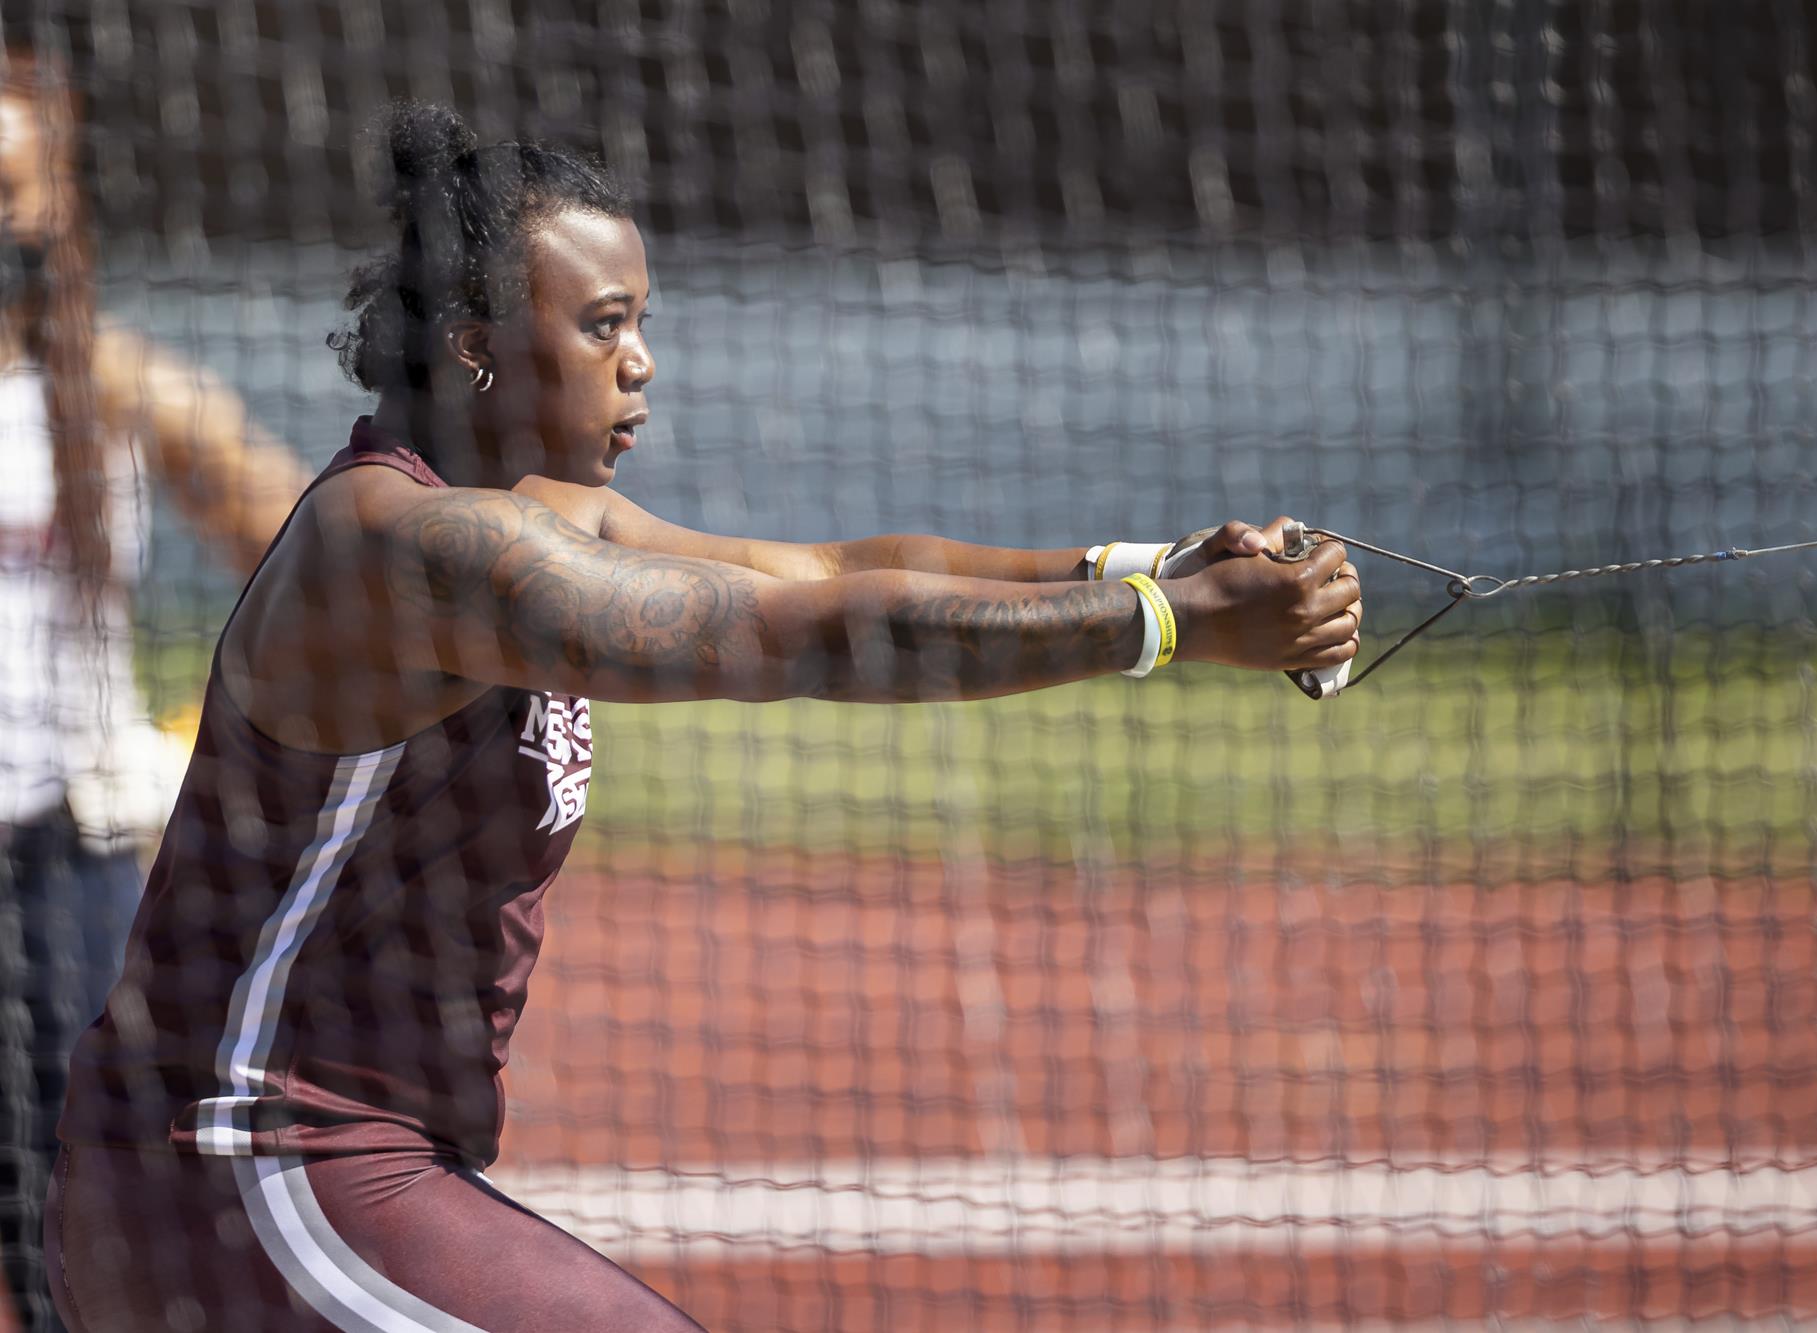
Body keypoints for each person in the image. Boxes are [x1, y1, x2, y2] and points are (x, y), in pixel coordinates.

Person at [44, 102, 1362, 1331]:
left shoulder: (530, 519)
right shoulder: (406, 549)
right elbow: (791, 637)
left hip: (323, 1169)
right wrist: (1169, 627)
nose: (643, 364)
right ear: (475, 347)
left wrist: (1146, 565)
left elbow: (826, 571)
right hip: (242, 1172)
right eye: (605, 324)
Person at [0, 48, 311, 1333]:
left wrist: (202, 736)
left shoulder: (115, 387)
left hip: (65, 868)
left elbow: (310, 555)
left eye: (18, 186)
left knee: (83, 1233)